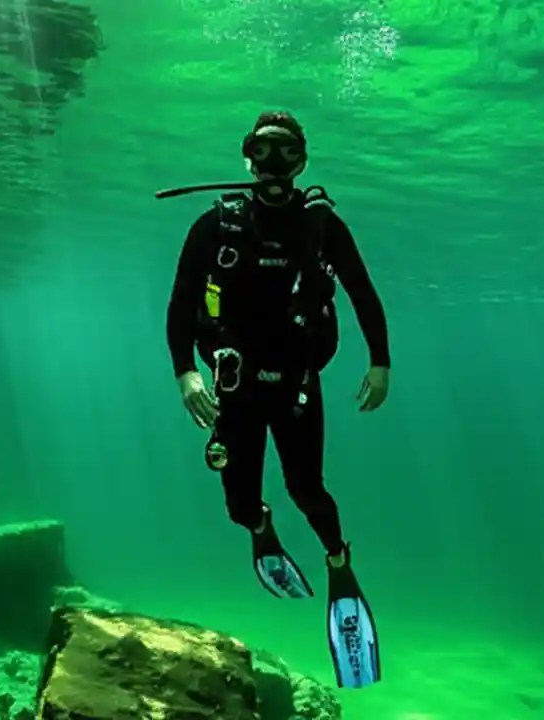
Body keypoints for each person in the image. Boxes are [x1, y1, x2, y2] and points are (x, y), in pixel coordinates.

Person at [162, 110, 389, 688]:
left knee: (306, 488)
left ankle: (338, 560)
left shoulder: (321, 228)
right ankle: (260, 528)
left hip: (295, 385)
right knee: (239, 504)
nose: (274, 165)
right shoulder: (216, 227)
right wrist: (186, 373)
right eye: (263, 151)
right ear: (247, 157)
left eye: (286, 152)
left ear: (303, 160)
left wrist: (380, 362)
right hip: (233, 387)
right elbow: (182, 301)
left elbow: (363, 293)